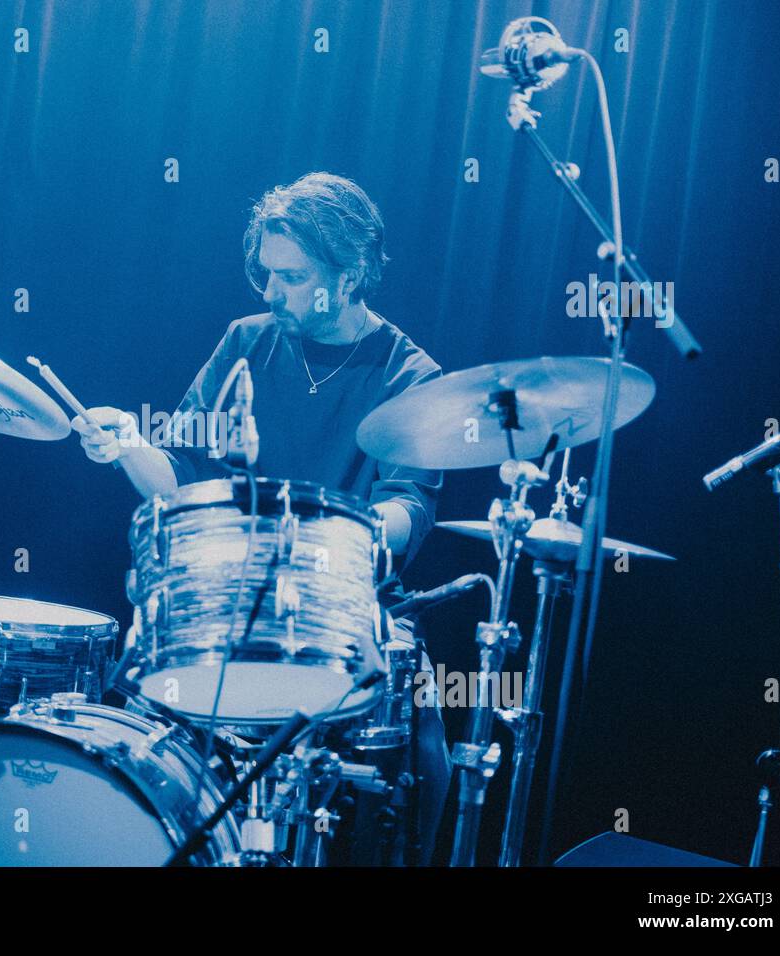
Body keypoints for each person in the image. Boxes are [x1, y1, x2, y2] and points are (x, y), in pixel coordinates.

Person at [74, 172, 451, 863]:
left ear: (351, 271)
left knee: (427, 772)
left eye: (292, 276)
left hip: (347, 617)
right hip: (229, 605)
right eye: (265, 274)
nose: (271, 292)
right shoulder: (247, 342)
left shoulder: (409, 376)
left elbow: (408, 509)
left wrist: (329, 541)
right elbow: (179, 480)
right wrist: (126, 442)